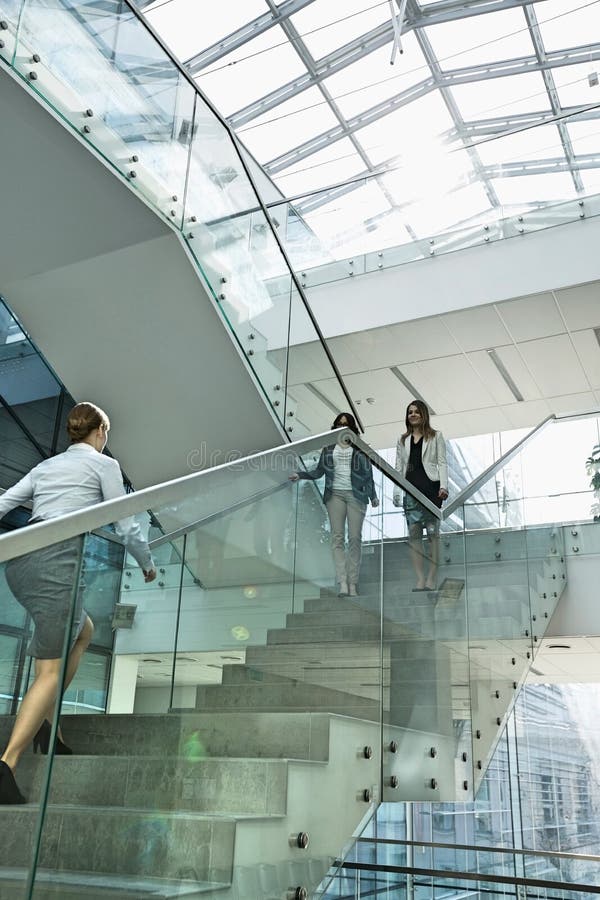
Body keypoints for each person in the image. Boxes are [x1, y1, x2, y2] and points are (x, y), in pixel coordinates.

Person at [0, 402, 156, 804]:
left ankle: (49, 728)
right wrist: (147, 562)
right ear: (100, 431)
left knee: (83, 631)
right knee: (49, 671)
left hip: (21, 561)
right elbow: (125, 522)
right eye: (107, 433)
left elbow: (4, 504)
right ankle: (8, 763)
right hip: (57, 565)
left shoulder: (46, 466)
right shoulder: (105, 466)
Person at [290, 412, 378, 597]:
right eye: (338, 424)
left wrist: (373, 496)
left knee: (355, 539)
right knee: (337, 538)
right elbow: (319, 471)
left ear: (351, 428)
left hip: (357, 495)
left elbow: (368, 473)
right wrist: (301, 475)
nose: (341, 427)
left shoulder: (360, 448)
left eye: (345, 424)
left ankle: (353, 583)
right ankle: (343, 583)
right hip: (334, 494)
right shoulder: (329, 448)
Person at [392, 400, 448, 591]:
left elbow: (442, 463)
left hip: (432, 492)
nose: (413, 414)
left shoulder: (435, 436)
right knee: (414, 537)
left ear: (423, 414)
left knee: (433, 536)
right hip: (411, 493)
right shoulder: (402, 440)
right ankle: (420, 578)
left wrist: (444, 486)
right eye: (410, 412)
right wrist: (397, 493)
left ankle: (432, 577)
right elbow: (398, 468)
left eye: (416, 412)